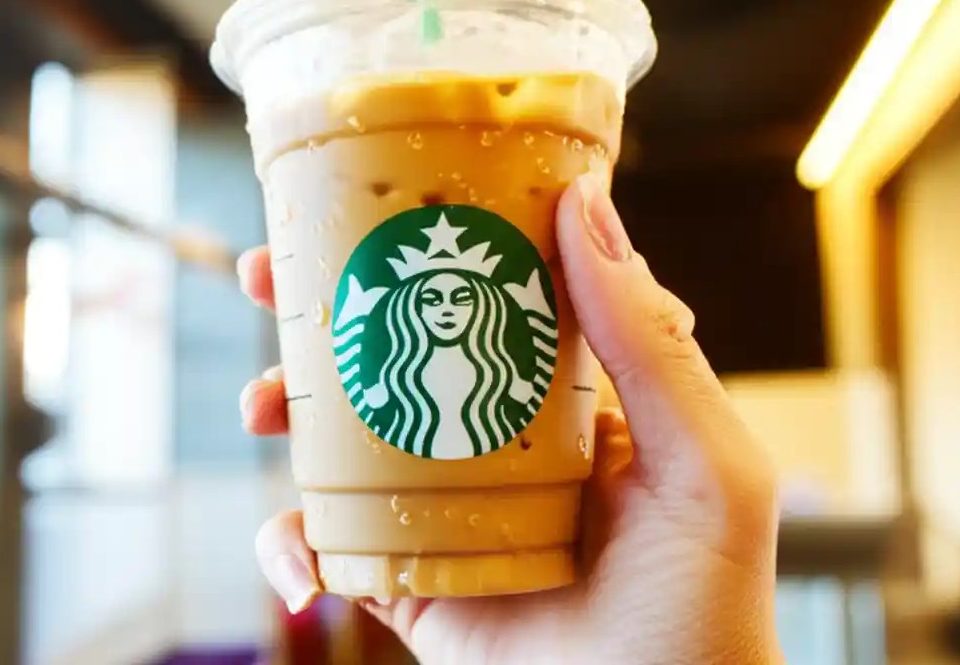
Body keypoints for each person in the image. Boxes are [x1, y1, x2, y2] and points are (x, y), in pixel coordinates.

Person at [236, 179, 785, 664]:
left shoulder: (499, 383)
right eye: (430, 297)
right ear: (405, 308)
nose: (446, 310)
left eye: (461, 296)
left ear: (486, 306)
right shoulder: (398, 383)